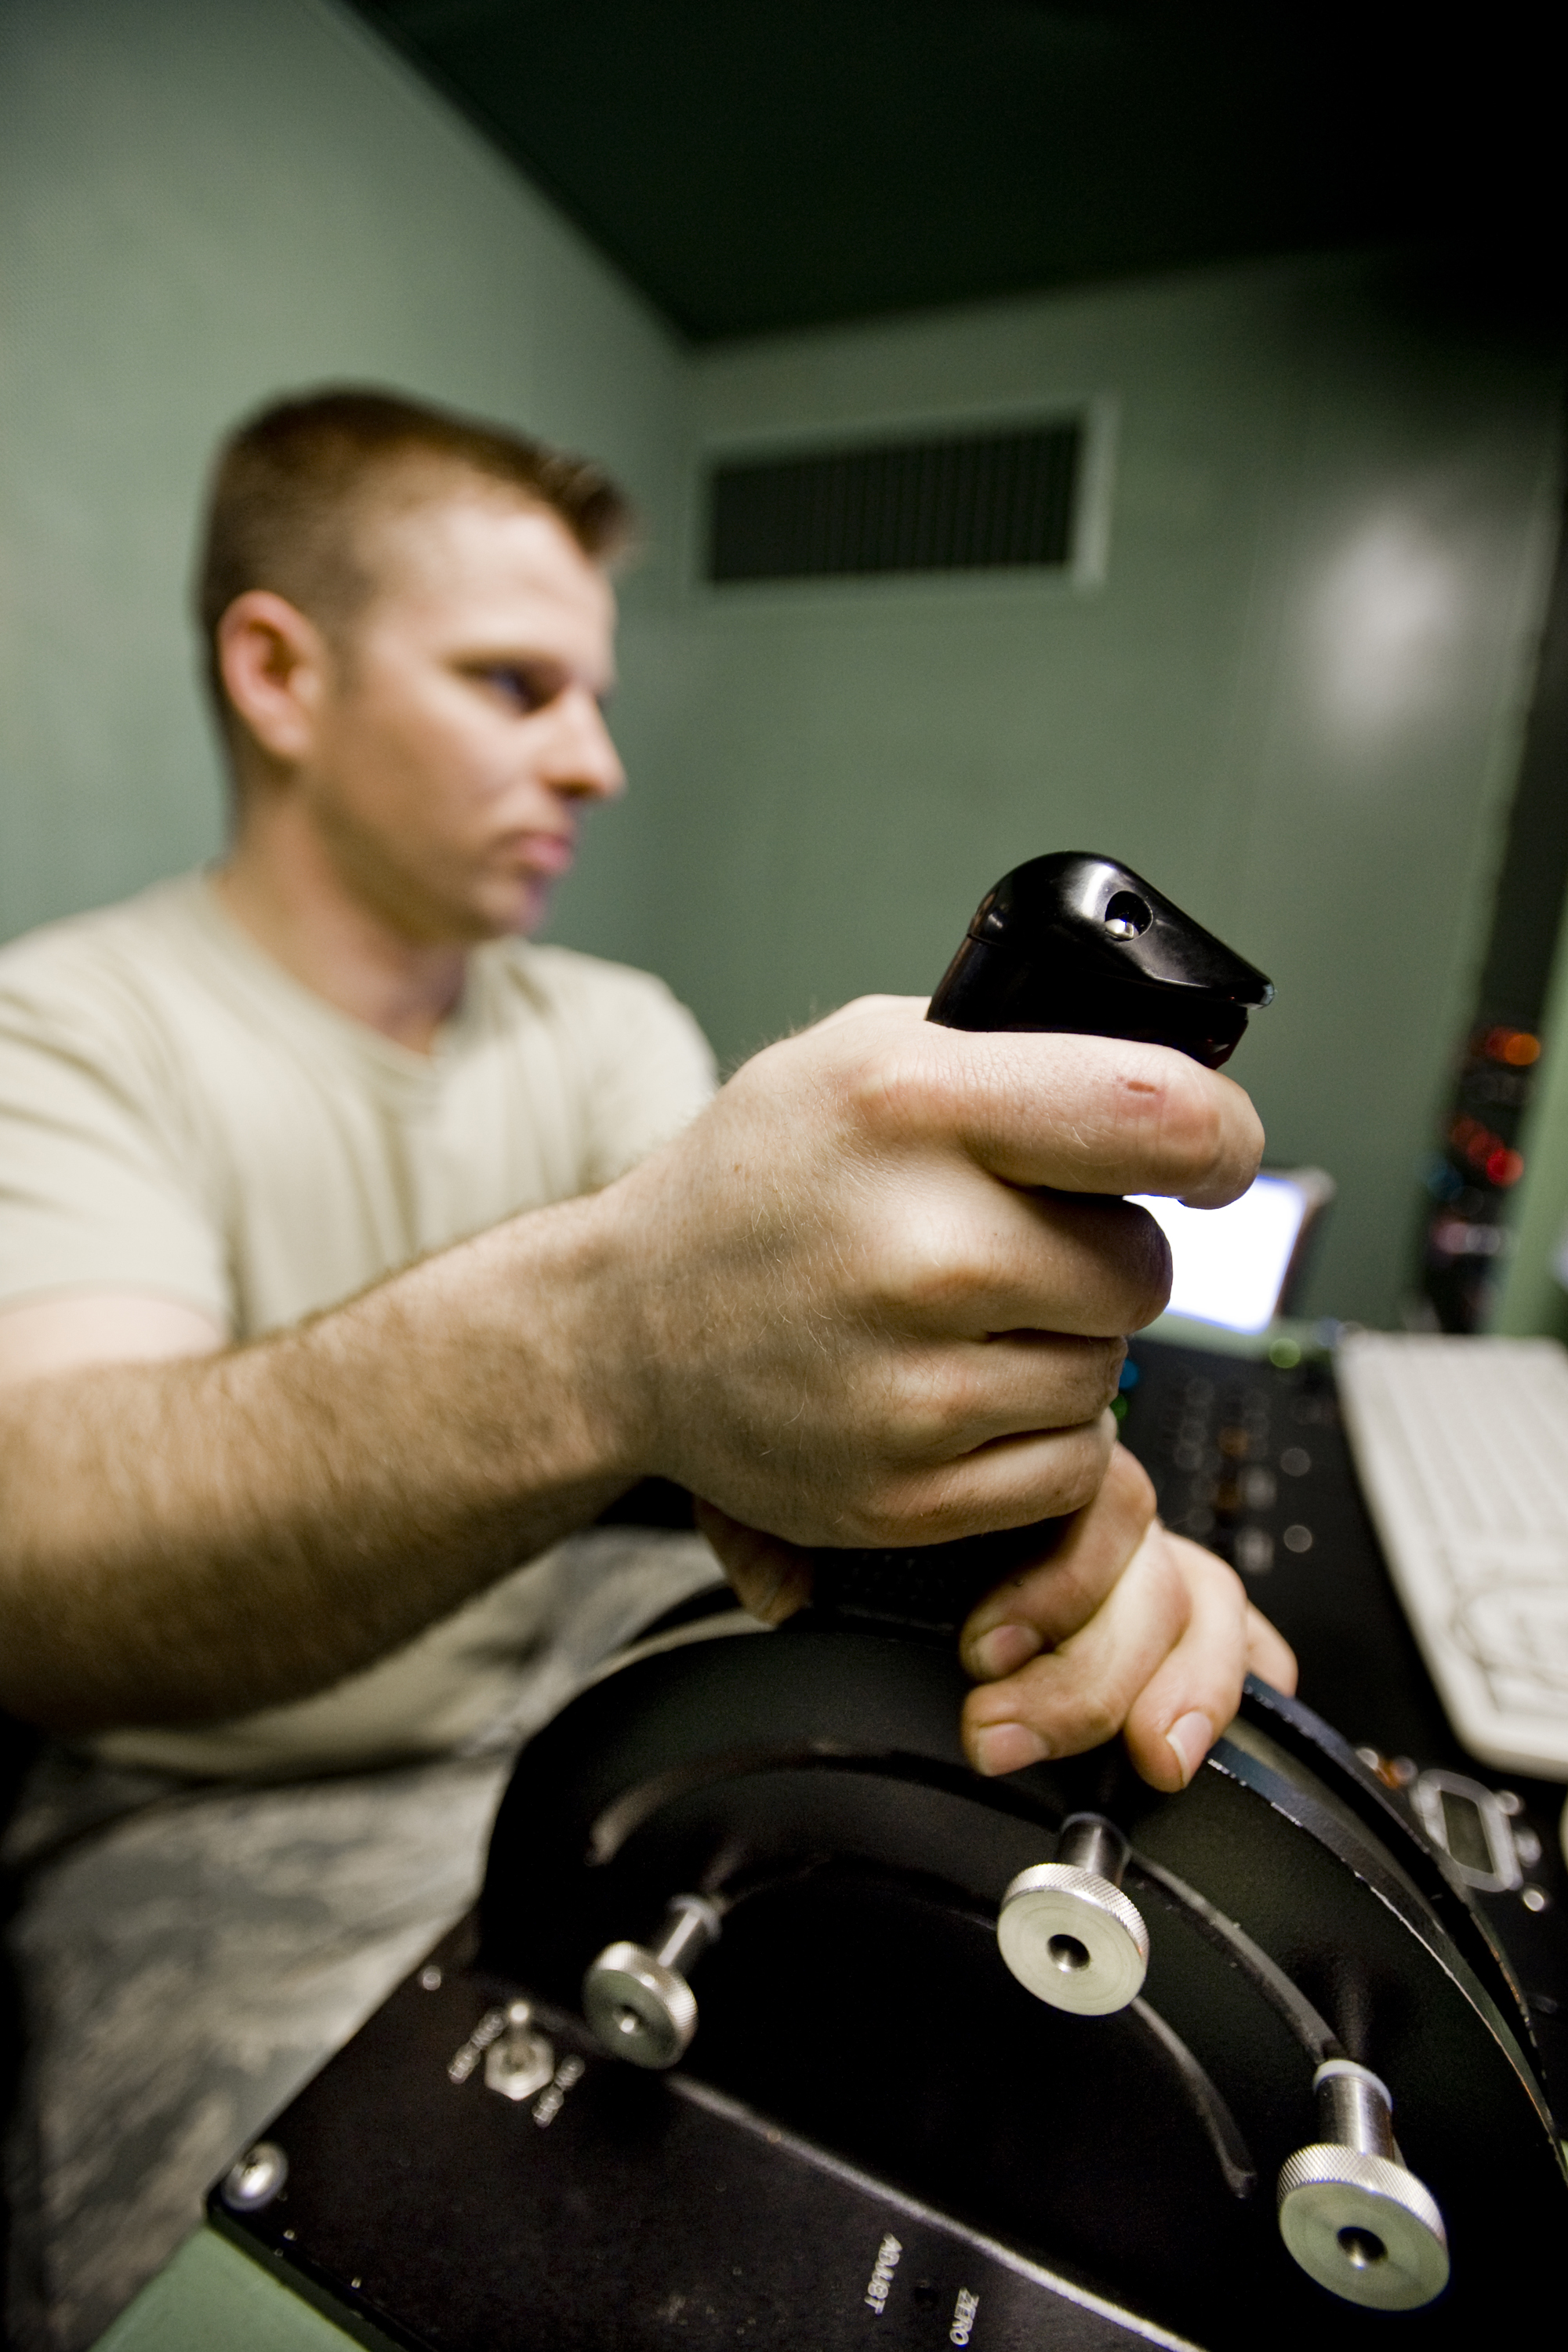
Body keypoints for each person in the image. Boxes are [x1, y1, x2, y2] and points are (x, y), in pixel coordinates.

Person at [0, 390, 1291, 2345]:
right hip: (217, 1829)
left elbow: (761, 1415)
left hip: (598, 1708)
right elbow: (45, 1554)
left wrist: (1024, 1532)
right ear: (278, 671)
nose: (592, 761)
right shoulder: (69, 1033)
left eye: (591, 699)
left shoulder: (607, 1028)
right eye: (516, 686)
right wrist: (612, 1332)